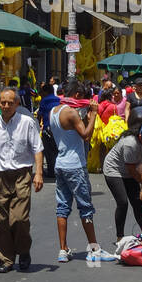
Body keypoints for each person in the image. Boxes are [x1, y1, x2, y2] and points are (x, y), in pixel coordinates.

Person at [0, 86, 44, 273]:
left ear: (16, 103)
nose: (6, 106)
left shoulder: (26, 123)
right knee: (1, 221)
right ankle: (6, 259)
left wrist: (38, 173)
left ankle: (23, 252)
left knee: (20, 219)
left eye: (10, 102)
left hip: (22, 174)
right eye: (3, 102)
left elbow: (37, 149)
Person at [51, 80, 118, 263]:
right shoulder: (71, 112)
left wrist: (88, 116)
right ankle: (94, 248)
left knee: (62, 206)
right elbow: (86, 135)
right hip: (75, 165)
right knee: (85, 207)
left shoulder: (54, 111)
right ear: (78, 95)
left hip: (61, 163)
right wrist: (94, 113)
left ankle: (63, 249)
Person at [103, 122, 142, 238]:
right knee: (123, 202)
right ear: (140, 137)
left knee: (137, 203)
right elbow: (132, 170)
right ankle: (120, 237)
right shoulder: (130, 144)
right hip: (114, 170)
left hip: (130, 170)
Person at [37, 83, 61, 178]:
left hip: (47, 129)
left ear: (46, 92)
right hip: (58, 129)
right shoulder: (58, 100)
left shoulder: (44, 100)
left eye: (42, 92)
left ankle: (51, 171)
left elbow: (40, 114)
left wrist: (38, 125)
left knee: (48, 151)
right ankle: (58, 170)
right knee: (57, 150)